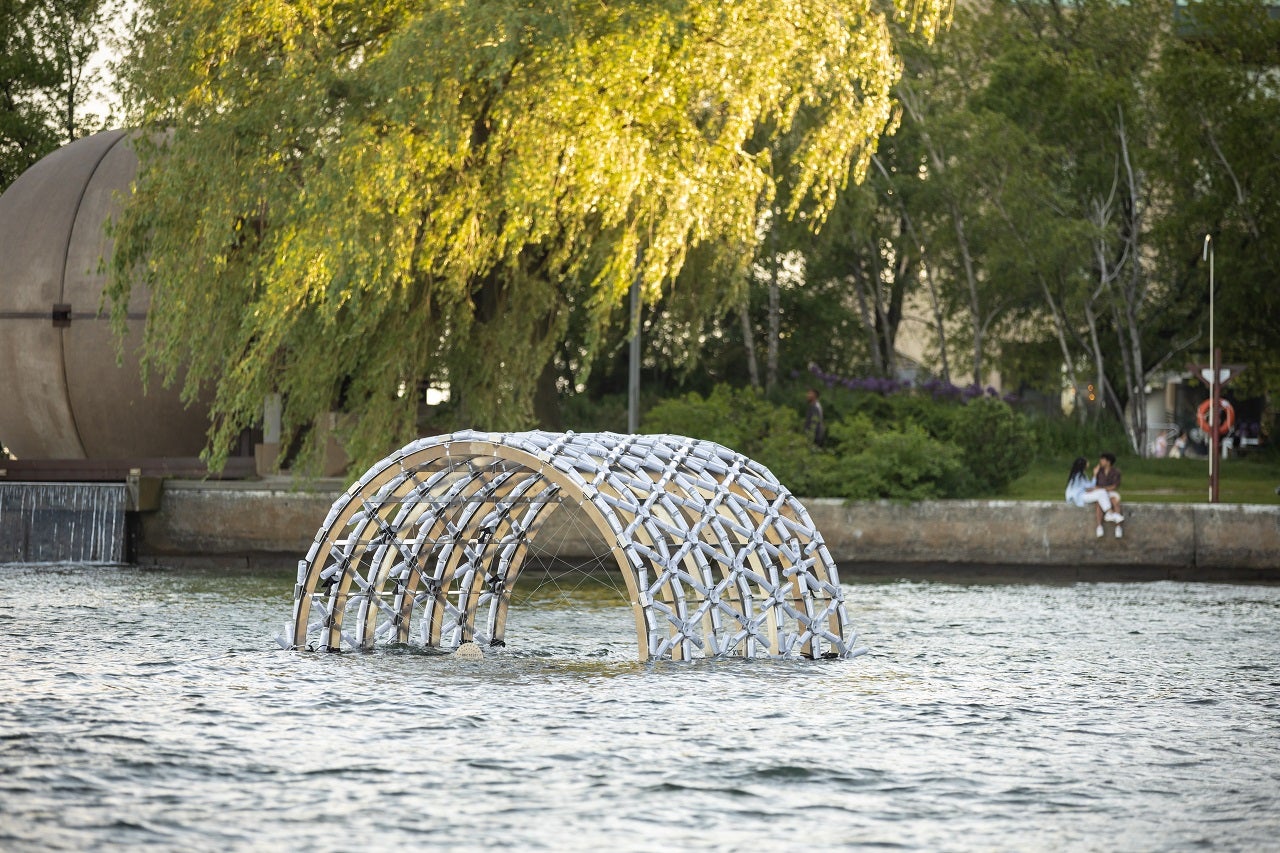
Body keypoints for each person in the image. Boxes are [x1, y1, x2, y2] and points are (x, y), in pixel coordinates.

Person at [1065, 456, 1124, 539]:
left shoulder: (1080, 474)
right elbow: (1089, 486)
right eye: (1087, 462)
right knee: (1101, 492)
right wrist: (1095, 475)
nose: (1089, 464)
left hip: (1083, 495)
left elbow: (1089, 487)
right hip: (1080, 497)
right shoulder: (1079, 476)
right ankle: (1109, 513)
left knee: (1101, 493)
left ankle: (1109, 513)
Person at [1093, 452, 1124, 539]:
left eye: (1103, 460)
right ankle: (1099, 526)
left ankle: (1118, 527)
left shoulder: (1116, 472)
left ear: (1108, 462)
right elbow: (1094, 484)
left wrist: (1102, 489)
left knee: (1115, 502)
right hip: (1101, 492)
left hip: (1109, 492)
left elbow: (1114, 486)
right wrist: (1095, 474)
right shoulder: (1099, 471)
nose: (1100, 461)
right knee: (1098, 504)